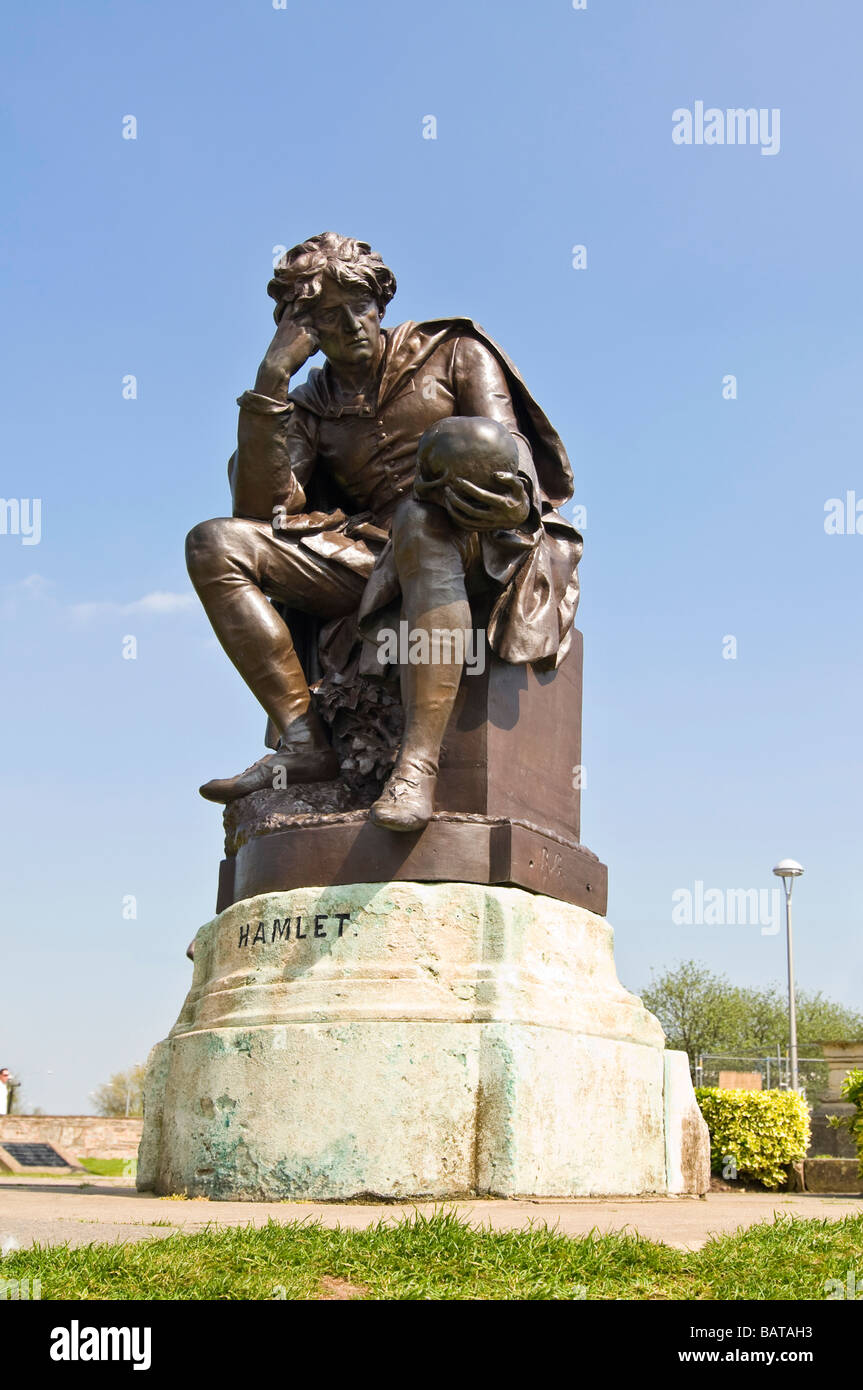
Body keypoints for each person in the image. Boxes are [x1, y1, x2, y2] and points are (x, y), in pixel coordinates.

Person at [186, 233, 582, 831]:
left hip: (474, 538)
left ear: (381, 303)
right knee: (214, 543)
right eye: (327, 317)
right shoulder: (311, 402)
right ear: (305, 329)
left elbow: (514, 457)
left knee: (422, 523)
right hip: (367, 556)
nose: (351, 326)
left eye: (361, 307)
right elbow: (257, 511)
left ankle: (417, 767)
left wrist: (493, 488)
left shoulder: (453, 351)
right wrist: (271, 380)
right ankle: (302, 742)